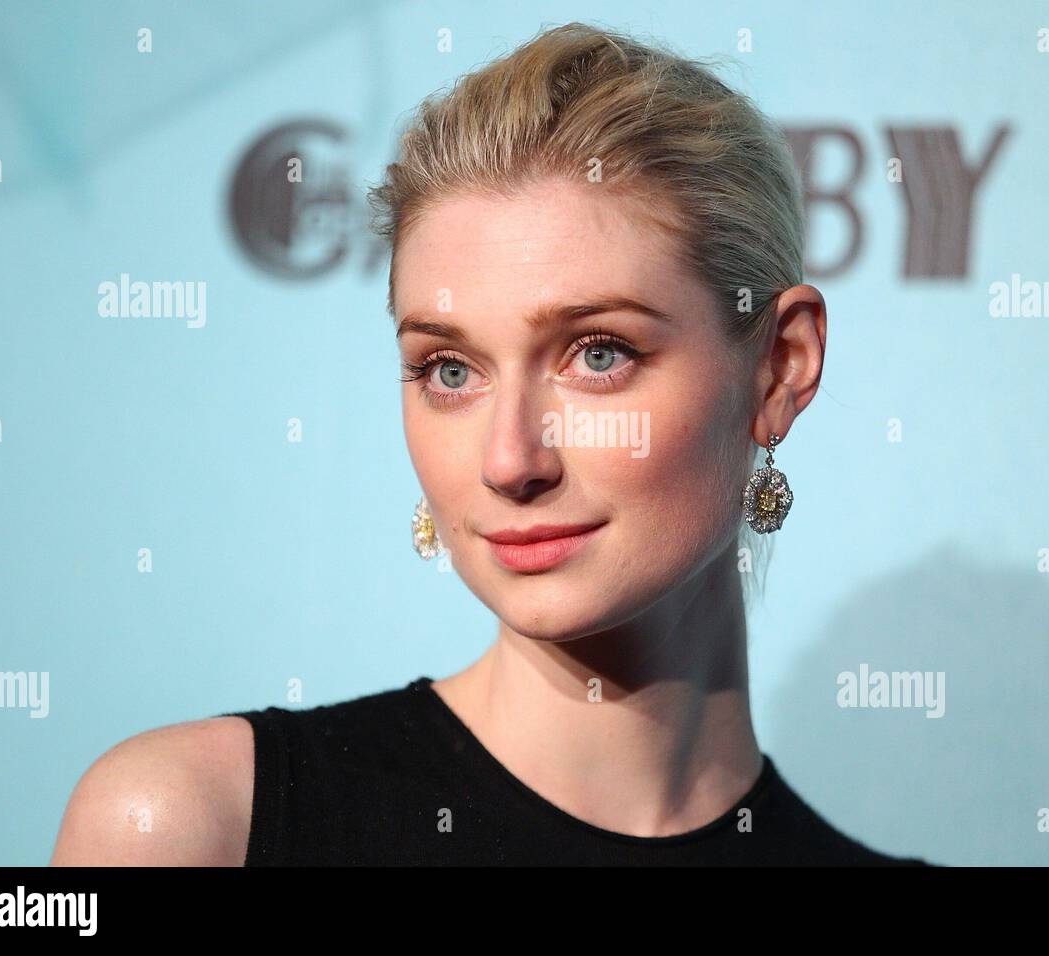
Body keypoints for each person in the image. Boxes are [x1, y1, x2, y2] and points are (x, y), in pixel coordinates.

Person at [51, 21, 931, 866]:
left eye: (598, 354)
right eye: (449, 370)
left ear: (779, 367)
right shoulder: (196, 826)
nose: (510, 461)